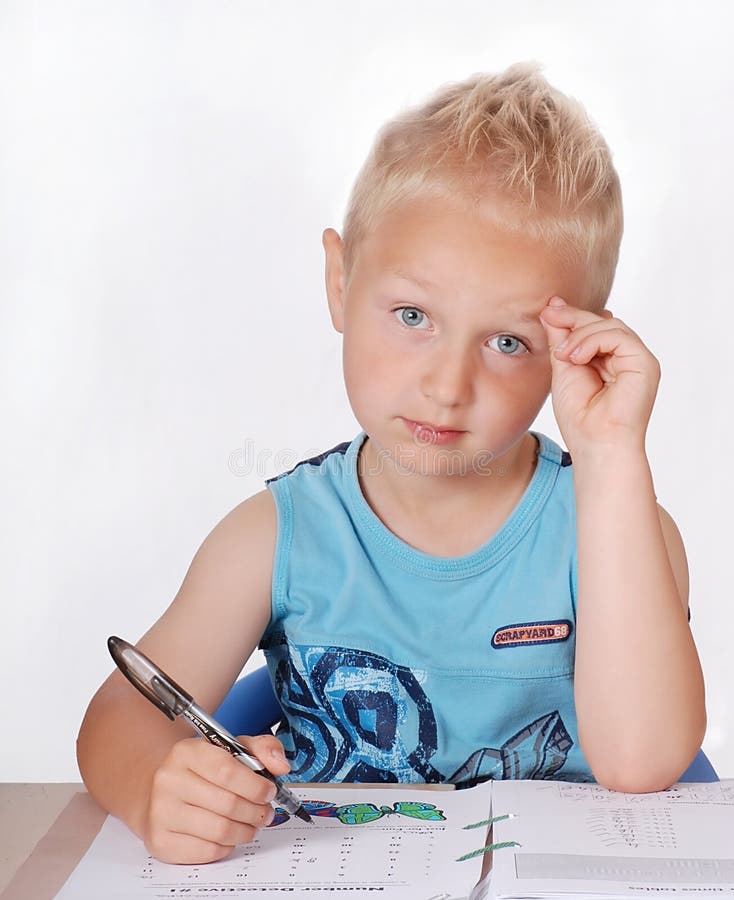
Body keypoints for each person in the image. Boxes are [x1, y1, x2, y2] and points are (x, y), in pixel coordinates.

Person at [76, 62, 706, 864]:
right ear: (339, 283)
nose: (448, 387)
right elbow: (117, 721)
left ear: (576, 350)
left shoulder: (619, 530)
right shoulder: (273, 538)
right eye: (413, 315)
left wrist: (612, 451)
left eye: (508, 341)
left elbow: (645, 763)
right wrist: (157, 789)